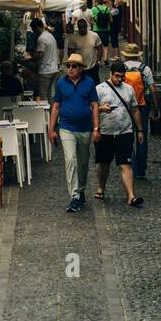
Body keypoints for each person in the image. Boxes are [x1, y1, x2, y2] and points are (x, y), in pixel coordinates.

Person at [48, 54, 100, 213]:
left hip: (85, 129)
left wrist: (96, 128)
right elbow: (56, 107)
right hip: (66, 127)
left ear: (81, 68)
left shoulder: (89, 82)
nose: (70, 69)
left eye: (74, 66)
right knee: (71, 160)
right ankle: (75, 196)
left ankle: (81, 190)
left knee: (83, 163)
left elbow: (95, 106)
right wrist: (51, 129)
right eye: (68, 66)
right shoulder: (61, 83)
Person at [93, 58, 144, 207]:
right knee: (103, 163)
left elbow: (135, 109)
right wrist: (101, 110)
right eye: (117, 76)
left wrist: (140, 130)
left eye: (122, 76)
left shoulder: (129, 89)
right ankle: (101, 188)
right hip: (105, 133)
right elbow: (92, 109)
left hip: (125, 132)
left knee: (125, 164)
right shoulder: (99, 89)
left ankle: (131, 196)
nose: (119, 79)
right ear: (110, 73)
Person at [120, 42, 161, 180]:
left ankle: (132, 166)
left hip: (125, 108)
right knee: (142, 136)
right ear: (137, 56)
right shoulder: (145, 69)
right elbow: (153, 89)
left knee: (127, 138)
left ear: (126, 56)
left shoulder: (121, 68)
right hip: (142, 106)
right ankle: (142, 170)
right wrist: (156, 108)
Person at [64, 11, 104, 83]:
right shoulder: (74, 37)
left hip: (92, 66)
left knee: (95, 84)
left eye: (83, 27)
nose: (82, 29)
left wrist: (98, 61)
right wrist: (73, 65)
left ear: (86, 26)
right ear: (78, 27)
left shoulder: (94, 35)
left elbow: (100, 48)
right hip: (79, 67)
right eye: (80, 27)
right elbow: (70, 52)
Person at [34, 16, 60, 101]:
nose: (34, 32)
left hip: (45, 70)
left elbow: (40, 54)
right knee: (49, 95)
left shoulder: (41, 39)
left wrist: (31, 59)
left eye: (34, 29)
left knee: (43, 95)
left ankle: (46, 110)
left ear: (37, 27)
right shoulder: (50, 35)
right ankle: (52, 109)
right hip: (54, 69)